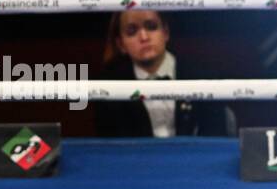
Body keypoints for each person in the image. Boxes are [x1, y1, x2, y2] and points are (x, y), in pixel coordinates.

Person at [93, 8, 234, 137]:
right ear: (121, 44)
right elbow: (110, 152)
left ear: (165, 32)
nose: (143, 37)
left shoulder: (204, 78)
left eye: (151, 27)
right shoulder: (107, 88)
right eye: (132, 31)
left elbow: (215, 144)